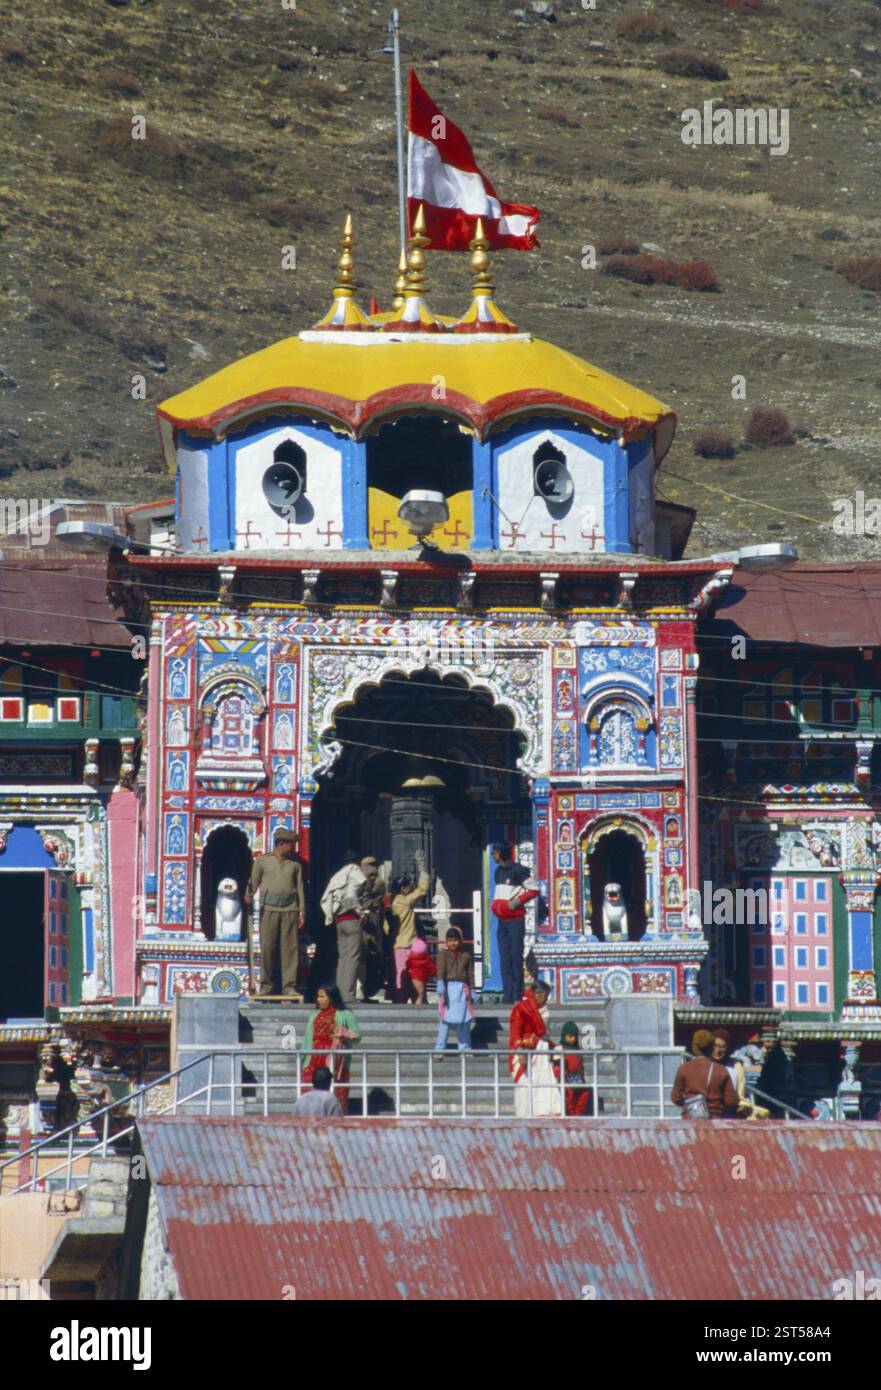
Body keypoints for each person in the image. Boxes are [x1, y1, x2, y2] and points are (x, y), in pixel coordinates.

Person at [246, 828, 305, 999]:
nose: (293, 849)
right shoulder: (262, 862)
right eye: (291, 845)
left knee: (290, 950)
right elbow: (253, 881)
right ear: (281, 844)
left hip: (290, 910)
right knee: (267, 949)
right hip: (269, 910)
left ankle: (289, 987)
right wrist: (248, 893)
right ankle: (266, 985)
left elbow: (300, 889)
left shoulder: (295, 865)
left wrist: (302, 912)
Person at [301, 983, 361, 1115]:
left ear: (331, 997)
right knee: (310, 1096)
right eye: (318, 996)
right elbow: (307, 1038)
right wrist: (303, 1058)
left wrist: (344, 1033)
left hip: (335, 1060)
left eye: (322, 996)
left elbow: (357, 1036)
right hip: (314, 1059)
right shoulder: (314, 1014)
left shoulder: (345, 1014)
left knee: (336, 1094)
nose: (318, 999)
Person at [491, 842, 539, 1005]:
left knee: (515, 958)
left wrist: (516, 902)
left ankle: (517, 996)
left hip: (515, 921)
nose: (493, 855)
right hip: (502, 921)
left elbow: (534, 889)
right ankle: (507, 995)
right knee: (504, 959)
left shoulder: (519, 870)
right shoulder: (497, 872)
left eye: (495, 852)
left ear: (502, 853)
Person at [320, 852, 369, 1004]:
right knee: (353, 958)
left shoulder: (338, 876)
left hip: (339, 921)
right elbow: (351, 897)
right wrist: (361, 911)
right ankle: (348, 994)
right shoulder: (353, 871)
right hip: (352, 920)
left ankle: (339, 992)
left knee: (343, 958)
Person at [508, 980, 562, 1117]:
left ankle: (543, 1112)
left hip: (542, 1049)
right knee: (526, 1083)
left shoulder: (543, 1009)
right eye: (545, 995)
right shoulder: (522, 1008)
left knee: (544, 1083)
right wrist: (519, 1050)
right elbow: (515, 1032)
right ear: (537, 994)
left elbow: (544, 1033)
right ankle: (525, 1113)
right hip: (527, 1049)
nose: (546, 998)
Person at [387, 850, 430, 1002]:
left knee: (400, 974)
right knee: (413, 973)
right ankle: (414, 998)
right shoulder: (405, 901)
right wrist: (422, 868)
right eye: (408, 886)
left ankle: (399, 999)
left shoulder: (392, 904)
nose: (410, 888)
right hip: (409, 945)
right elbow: (423, 889)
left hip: (397, 946)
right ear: (403, 889)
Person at [671, 1029, 738, 1119]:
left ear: (694, 1046)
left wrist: (690, 1101)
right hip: (715, 1120)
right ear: (711, 1047)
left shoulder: (684, 1068)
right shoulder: (721, 1070)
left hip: (690, 1120)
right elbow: (731, 1101)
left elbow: (675, 1098)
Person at [712, 1028, 770, 1120]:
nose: (718, 1050)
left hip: (731, 1113)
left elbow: (740, 1094)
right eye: (715, 1046)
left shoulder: (736, 1066)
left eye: (722, 1047)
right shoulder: (706, 1065)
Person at [435, 927, 474, 1053]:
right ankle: (440, 1048)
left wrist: (472, 989)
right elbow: (440, 970)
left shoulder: (466, 955)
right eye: (450, 940)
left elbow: (470, 974)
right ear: (446, 941)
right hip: (448, 990)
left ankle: (464, 1048)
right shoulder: (443, 955)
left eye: (455, 940)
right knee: (445, 1020)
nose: (453, 943)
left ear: (460, 941)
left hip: (463, 989)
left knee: (463, 1021)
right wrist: (440, 983)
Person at [358, 856, 387, 1001]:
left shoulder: (377, 882)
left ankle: (366, 990)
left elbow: (369, 898)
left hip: (372, 922)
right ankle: (361, 990)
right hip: (363, 921)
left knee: (371, 954)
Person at [553, 1021, 593, 1117]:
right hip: (566, 1080)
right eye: (570, 1036)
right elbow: (556, 1067)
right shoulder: (559, 1049)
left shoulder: (577, 1050)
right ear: (564, 1035)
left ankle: (577, 1115)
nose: (573, 1039)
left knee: (586, 1093)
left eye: (575, 1036)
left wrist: (583, 1079)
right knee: (569, 1096)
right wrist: (561, 1079)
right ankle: (570, 1115)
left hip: (578, 1080)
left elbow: (581, 1067)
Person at [405, 936, 435, 1005]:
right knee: (420, 994)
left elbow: (407, 965)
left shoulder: (411, 959)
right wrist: (433, 973)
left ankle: (415, 1003)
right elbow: (432, 967)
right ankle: (419, 1006)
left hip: (413, 978)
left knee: (414, 993)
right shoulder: (426, 959)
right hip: (422, 979)